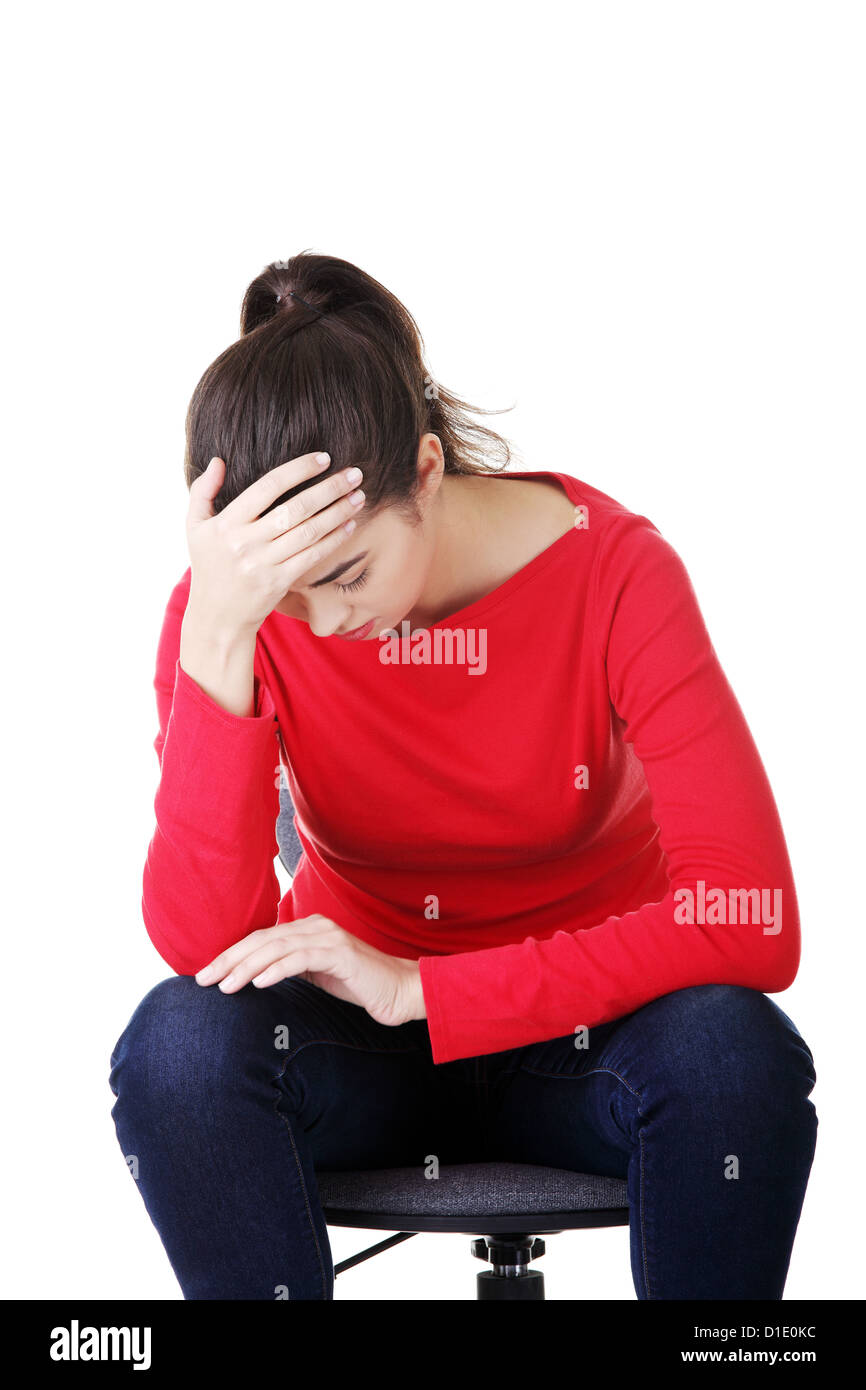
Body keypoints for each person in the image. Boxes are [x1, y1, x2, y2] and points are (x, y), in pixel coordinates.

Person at [108, 252, 818, 1301]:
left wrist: (428, 989)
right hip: (361, 1055)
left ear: (429, 473)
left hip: (592, 1041)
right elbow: (207, 948)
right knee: (177, 1043)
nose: (326, 622)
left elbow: (748, 919)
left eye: (347, 574)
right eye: (282, 595)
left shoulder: (615, 571)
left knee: (730, 1055)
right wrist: (216, 637)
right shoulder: (237, 613)